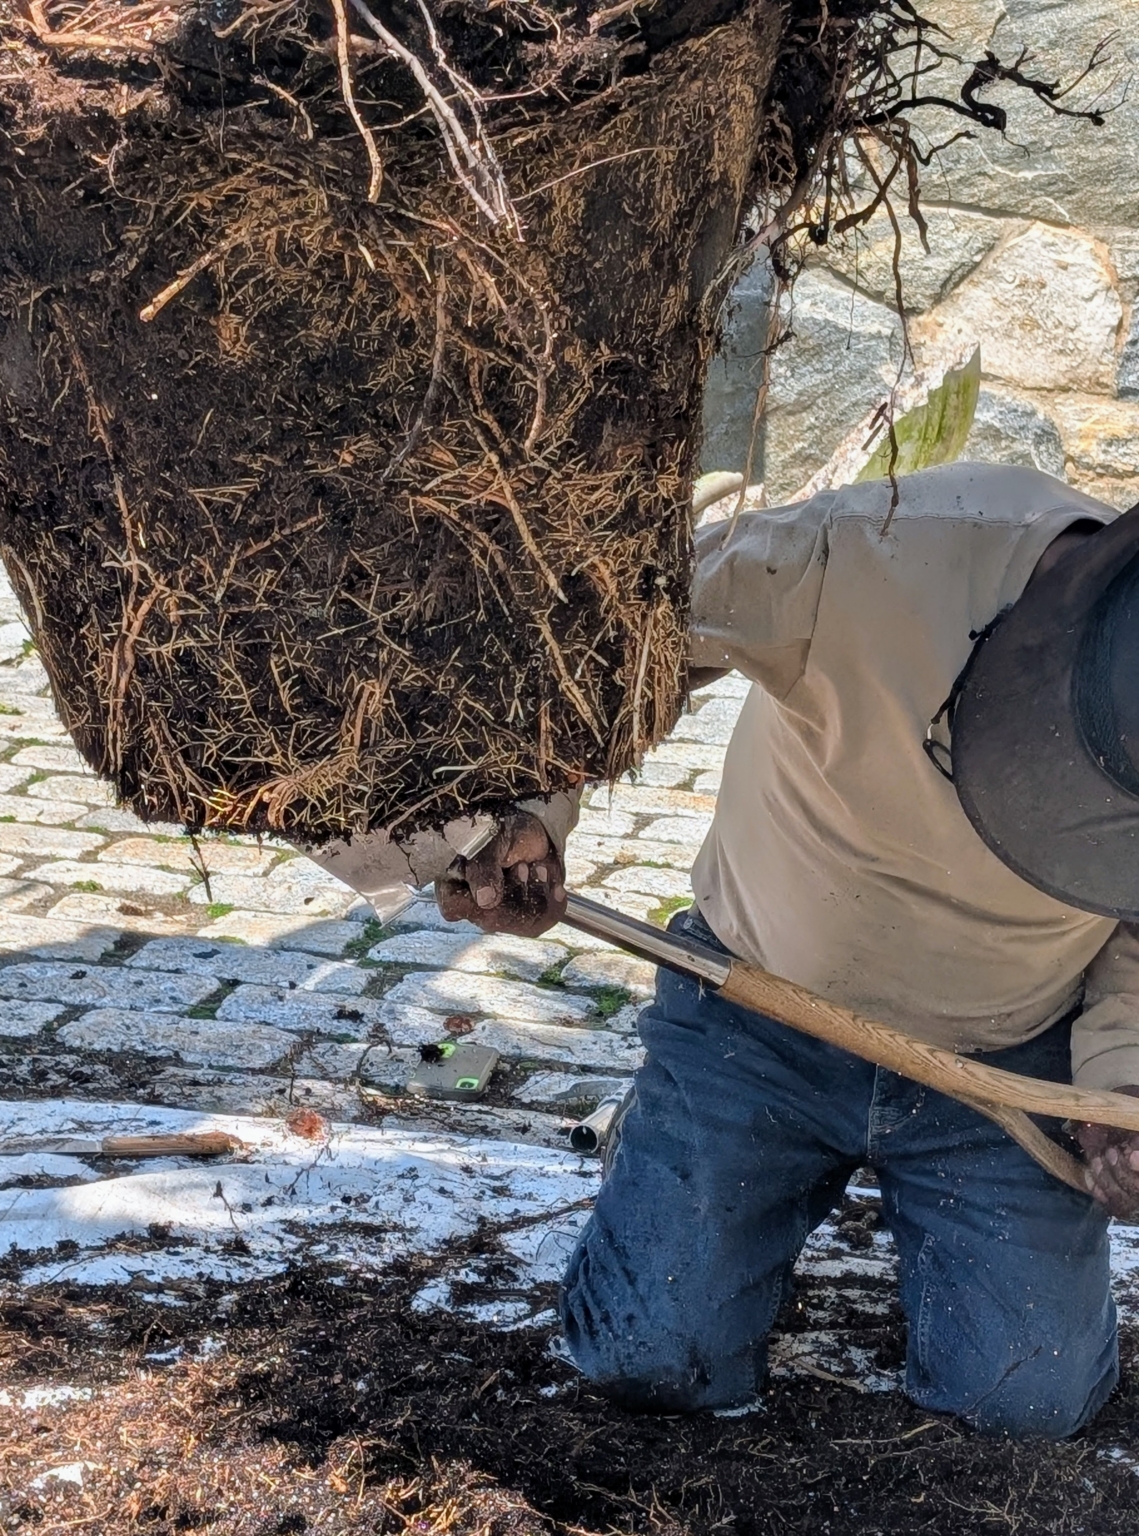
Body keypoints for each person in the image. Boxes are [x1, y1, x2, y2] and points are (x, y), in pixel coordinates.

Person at [429, 463, 1139, 1437]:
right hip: (755, 1012)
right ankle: (680, 1152)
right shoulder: (872, 551)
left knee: (1023, 1407)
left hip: (1004, 1068)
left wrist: (1115, 1101)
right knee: (647, 1356)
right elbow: (622, 634)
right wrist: (528, 815)